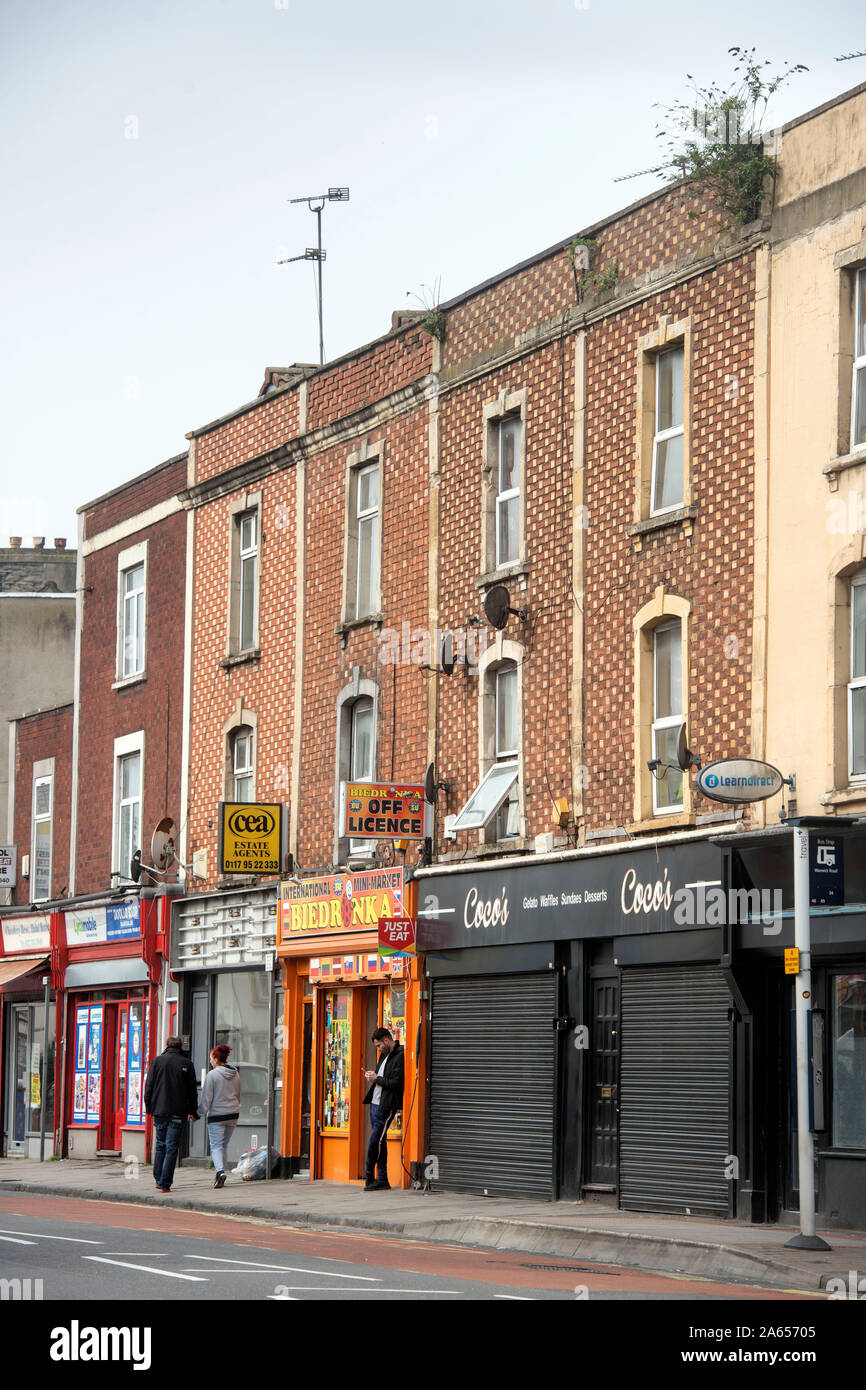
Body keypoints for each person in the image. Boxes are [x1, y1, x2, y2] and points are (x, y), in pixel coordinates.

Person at [143, 1036, 198, 1193]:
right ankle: (165, 1183)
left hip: (159, 1111)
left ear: (166, 1045)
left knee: (160, 1145)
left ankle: (158, 1179)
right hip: (177, 1113)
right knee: (171, 1148)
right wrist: (193, 1112)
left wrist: (149, 1108)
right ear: (180, 1047)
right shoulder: (187, 1063)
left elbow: (149, 1087)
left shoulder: (157, 1061)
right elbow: (192, 1092)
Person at [361, 1027, 404, 1191]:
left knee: (375, 1141)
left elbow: (396, 1083)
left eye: (379, 1045)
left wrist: (376, 1078)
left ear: (387, 1040)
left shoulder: (400, 1055)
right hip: (375, 1103)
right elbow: (382, 1079)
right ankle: (383, 1179)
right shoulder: (384, 1055)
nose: (378, 1049)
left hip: (387, 1105)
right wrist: (374, 1076)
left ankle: (370, 1176)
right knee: (380, 1142)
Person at [198, 1044, 242, 1189]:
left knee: (216, 1146)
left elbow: (206, 1098)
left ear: (216, 1059)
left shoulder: (212, 1075)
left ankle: (220, 1171)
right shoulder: (235, 1073)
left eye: (211, 1058)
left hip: (217, 1115)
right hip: (233, 1114)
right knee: (223, 1145)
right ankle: (220, 1173)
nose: (210, 1061)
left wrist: (198, 1113)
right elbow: (238, 1094)